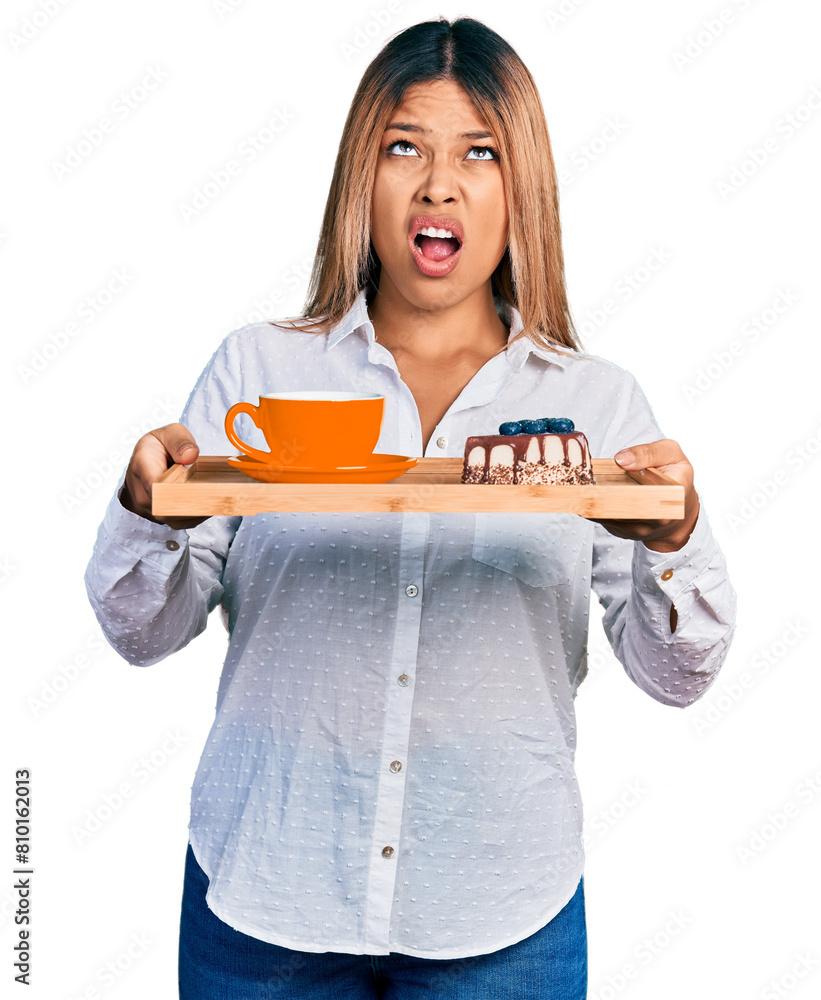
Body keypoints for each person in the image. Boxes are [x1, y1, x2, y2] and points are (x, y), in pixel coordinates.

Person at [85, 17, 735, 999]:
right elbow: (142, 632)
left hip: (502, 910)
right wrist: (147, 510)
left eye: (479, 152)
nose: (438, 184)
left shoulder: (596, 404)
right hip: (266, 890)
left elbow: (676, 677)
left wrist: (673, 539)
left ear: (522, 189)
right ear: (363, 176)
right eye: (404, 148)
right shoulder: (257, 371)